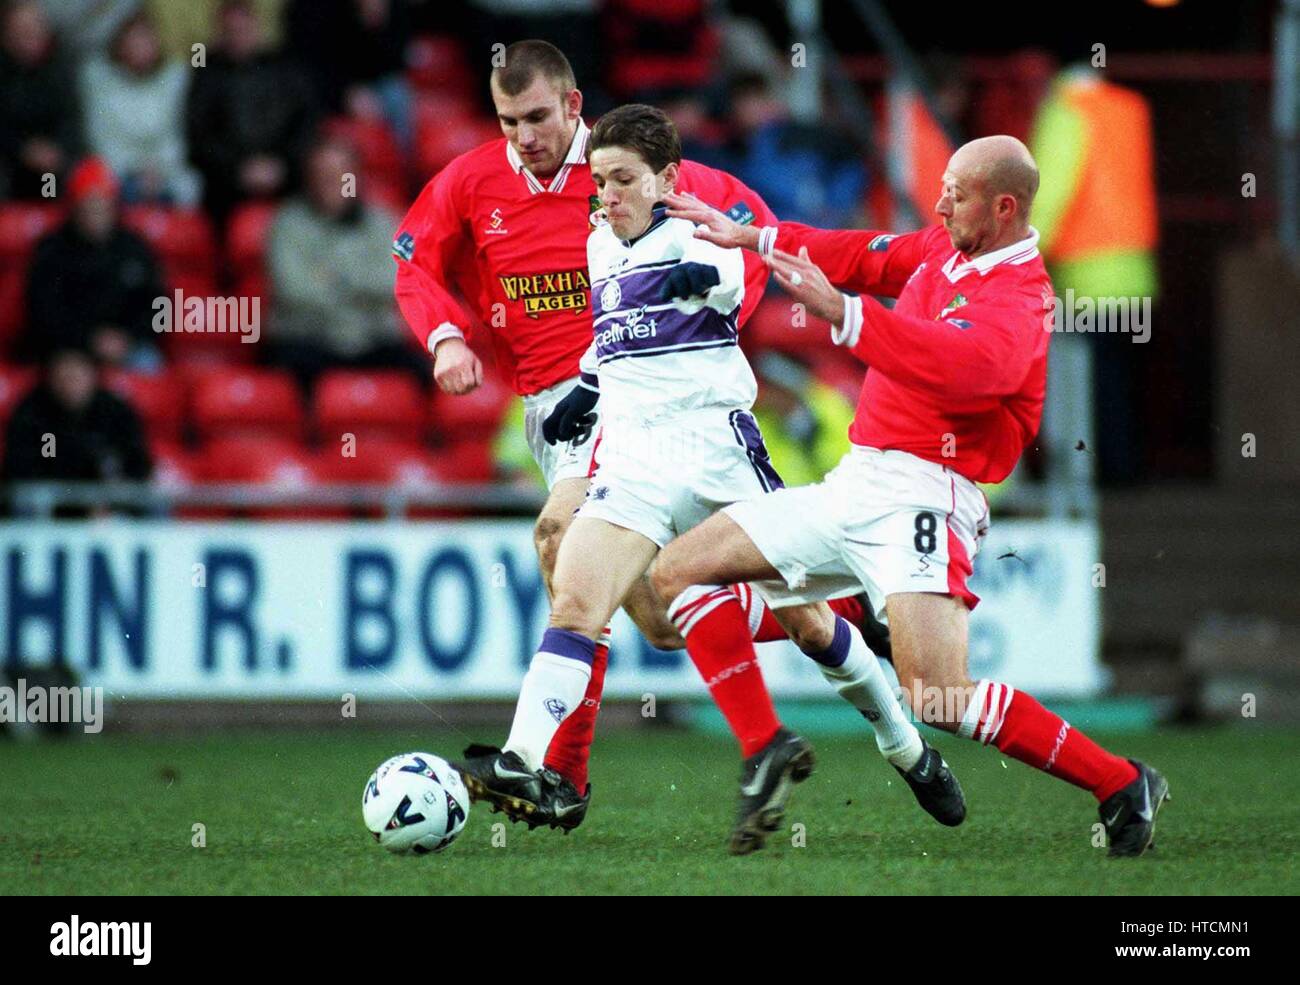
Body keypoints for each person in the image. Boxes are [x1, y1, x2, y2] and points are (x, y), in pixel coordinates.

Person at [393, 41, 900, 832]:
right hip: (553, 406)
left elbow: (750, 228)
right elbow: (412, 261)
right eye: (506, 121)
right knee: (664, 621)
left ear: (571, 106)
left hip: (634, 402)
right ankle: (832, 615)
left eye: (535, 118)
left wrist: (710, 319)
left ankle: (557, 771)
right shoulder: (470, 182)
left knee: (560, 537)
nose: (522, 137)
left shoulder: (629, 166)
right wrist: (444, 338)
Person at [651, 135, 1170, 857]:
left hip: (929, 496)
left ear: (1004, 206)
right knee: (674, 572)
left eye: (956, 191)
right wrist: (756, 235)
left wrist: (847, 315)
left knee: (939, 699)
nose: (940, 201)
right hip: (858, 480)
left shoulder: (1021, 297)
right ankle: (773, 728)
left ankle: (1120, 782)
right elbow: (865, 256)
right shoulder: (944, 246)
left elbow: (963, 372)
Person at [264, 137, 421, 393]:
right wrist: (361, 292)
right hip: (310, 342)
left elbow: (395, 284)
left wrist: (336, 280)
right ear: (309, 180)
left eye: (341, 176)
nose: (333, 185)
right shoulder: (287, 225)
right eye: (323, 176)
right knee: (283, 377)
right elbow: (294, 291)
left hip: (372, 343)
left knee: (421, 374)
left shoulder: (383, 224)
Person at [22, 157, 167, 370]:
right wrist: (89, 339)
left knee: (149, 367)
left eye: (103, 206)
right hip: (69, 348)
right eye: (88, 206)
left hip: (128, 345)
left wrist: (128, 338)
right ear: (74, 208)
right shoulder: (52, 250)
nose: (96, 215)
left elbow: (159, 305)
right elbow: (43, 311)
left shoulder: (135, 247)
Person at [185, 0, 318, 223]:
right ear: (220, 33)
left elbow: (307, 123)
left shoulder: (286, 68)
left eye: (243, 30)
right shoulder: (205, 73)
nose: (238, 37)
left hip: (285, 172)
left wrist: (282, 165)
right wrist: (238, 169)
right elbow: (199, 135)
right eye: (231, 31)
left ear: (257, 28)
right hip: (227, 179)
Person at [79, 9, 202, 205]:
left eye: (146, 39)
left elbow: (176, 133)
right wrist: (135, 172)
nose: (140, 47)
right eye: (134, 40)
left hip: (166, 171)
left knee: (190, 190)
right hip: (118, 170)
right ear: (120, 44)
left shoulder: (175, 78)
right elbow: (101, 137)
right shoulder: (99, 80)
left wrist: (158, 169)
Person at [2, 345, 152, 496]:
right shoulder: (30, 413)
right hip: (49, 505)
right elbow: (20, 472)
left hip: (108, 503)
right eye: (63, 374)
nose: (70, 382)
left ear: (93, 375)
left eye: (78, 374)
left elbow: (138, 465)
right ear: (50, 377)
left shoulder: (115, 411)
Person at [0, 0, 82, 199]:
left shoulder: (61, 65)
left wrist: (56, 149)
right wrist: (23, 149)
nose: (29, 39)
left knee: (53, 181)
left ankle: (47, 221)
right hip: (11, 155)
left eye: (35, 30)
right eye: (21, 32)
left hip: (51, 156)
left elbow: (71, 116)